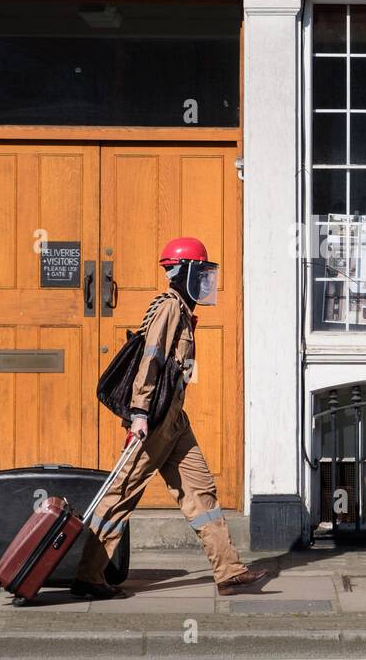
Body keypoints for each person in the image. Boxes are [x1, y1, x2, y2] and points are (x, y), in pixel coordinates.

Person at [70, 237, 270, 598]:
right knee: (122, 492)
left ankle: (229, 571)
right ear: (185, 272)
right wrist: (140, 413)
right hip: (156, 419)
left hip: (176, 420)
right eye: (203, 272)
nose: (207, 281)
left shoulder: (182, 309)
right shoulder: (169, 308)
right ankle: (87, 574)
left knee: (201, 491)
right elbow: (151, 359)